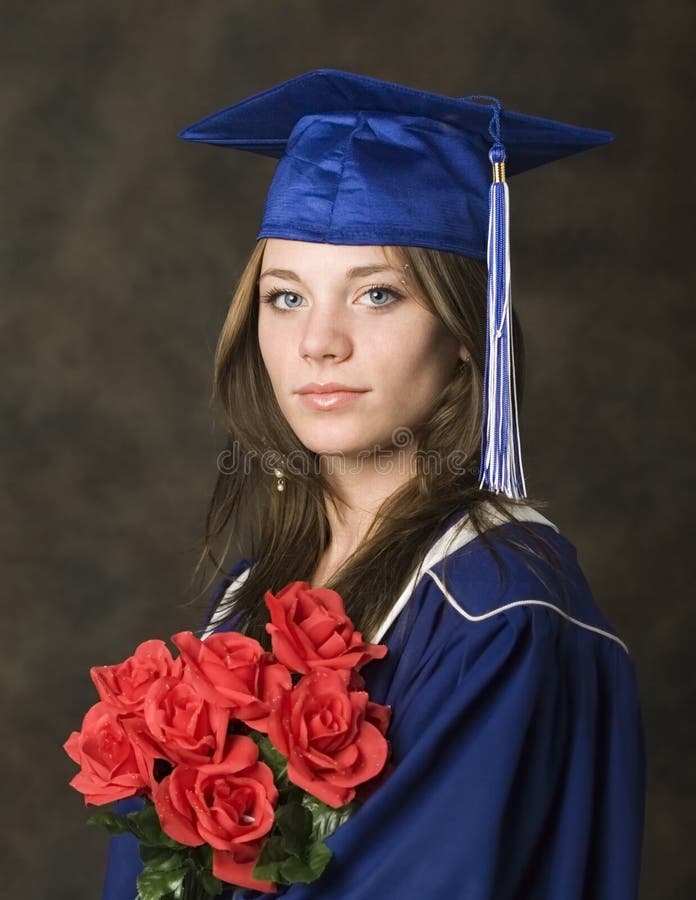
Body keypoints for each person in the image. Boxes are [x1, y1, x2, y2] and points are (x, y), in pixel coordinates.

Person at [102, 69, 645, 898]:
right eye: (285, 297)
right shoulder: (254, 583)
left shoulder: (500, 606)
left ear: (465, 331)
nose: (319, 342)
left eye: (378, 294)